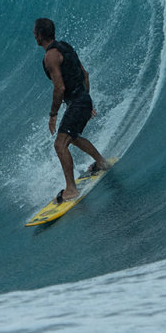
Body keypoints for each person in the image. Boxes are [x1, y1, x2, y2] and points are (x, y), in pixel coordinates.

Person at [34, 17, 110, 203]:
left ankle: (71, 190)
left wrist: (53, 114)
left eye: (35, 32)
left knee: (60, 144)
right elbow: (84, 74)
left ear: (40, 35)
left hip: (77, 102)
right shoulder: (65, 46)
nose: (34, 35)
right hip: (82, 99)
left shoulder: (50, 56)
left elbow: (59, 88)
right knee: (72, 137)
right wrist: (87, 100)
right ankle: (101, 162)